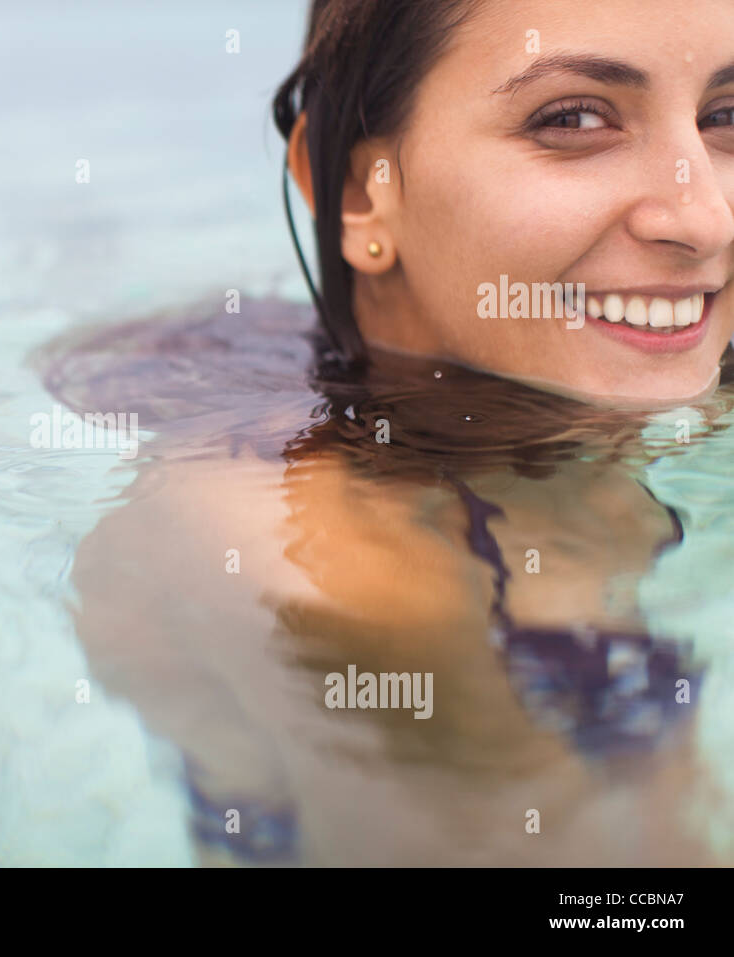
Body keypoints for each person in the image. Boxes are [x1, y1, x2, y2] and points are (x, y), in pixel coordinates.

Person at [41, 0, 734, 865]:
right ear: (356, 197)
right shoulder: (338, 560)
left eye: (726, 116)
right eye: (573, 118)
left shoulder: (573, 399)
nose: (704, 218)